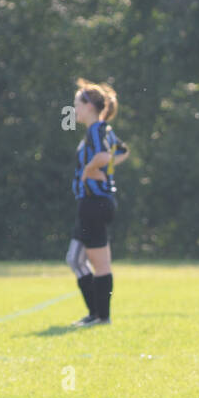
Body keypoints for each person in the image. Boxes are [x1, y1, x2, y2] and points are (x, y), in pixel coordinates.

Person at [67, 79, 128, 327]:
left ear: (90, 105)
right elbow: (122, 152)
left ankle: (102, 316)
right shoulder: (99, 130)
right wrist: (104, 169)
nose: (75, 110)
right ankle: (95, 313)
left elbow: (106, 155)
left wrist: (91, 170)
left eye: (77, 105)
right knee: (74, 259)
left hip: (96, 203)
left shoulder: (97, 129)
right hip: (90, 203)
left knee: (100, 264)